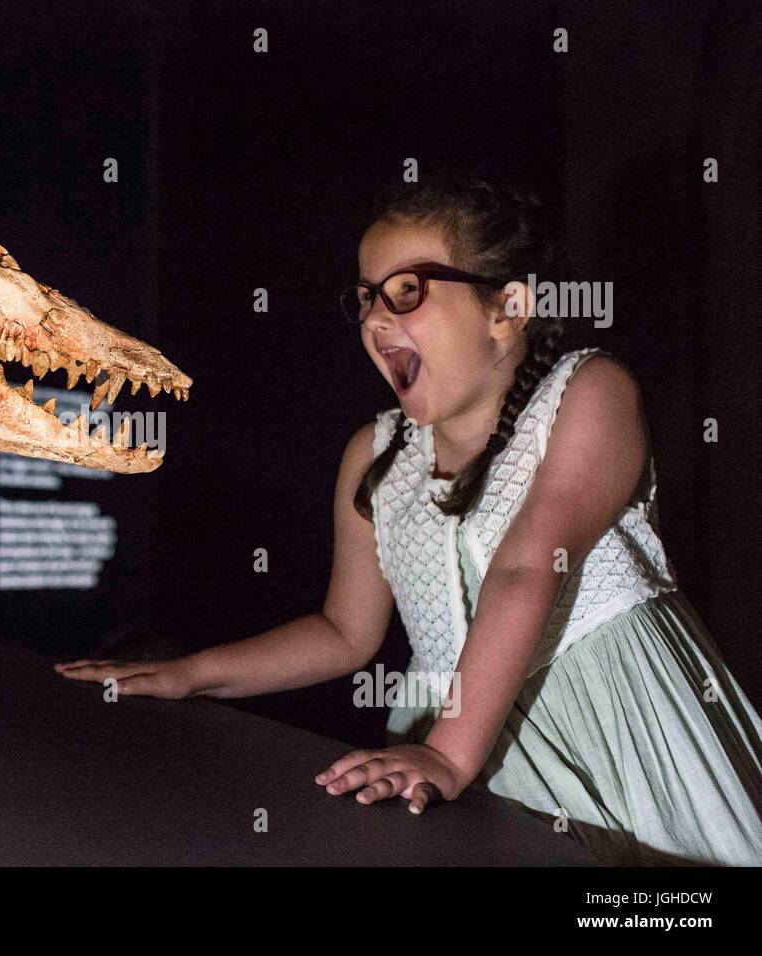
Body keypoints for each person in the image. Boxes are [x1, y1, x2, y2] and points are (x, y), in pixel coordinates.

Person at [56, 172, 762, 866]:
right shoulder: (376, 457)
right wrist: (192, 673)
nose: (373, 320)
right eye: (366, 299)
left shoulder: (589, 393)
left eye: (406, 292)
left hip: (625, 743)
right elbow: (343, 632)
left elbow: (525, 567)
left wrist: (446, 754)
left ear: (508, 307)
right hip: (485, 769)